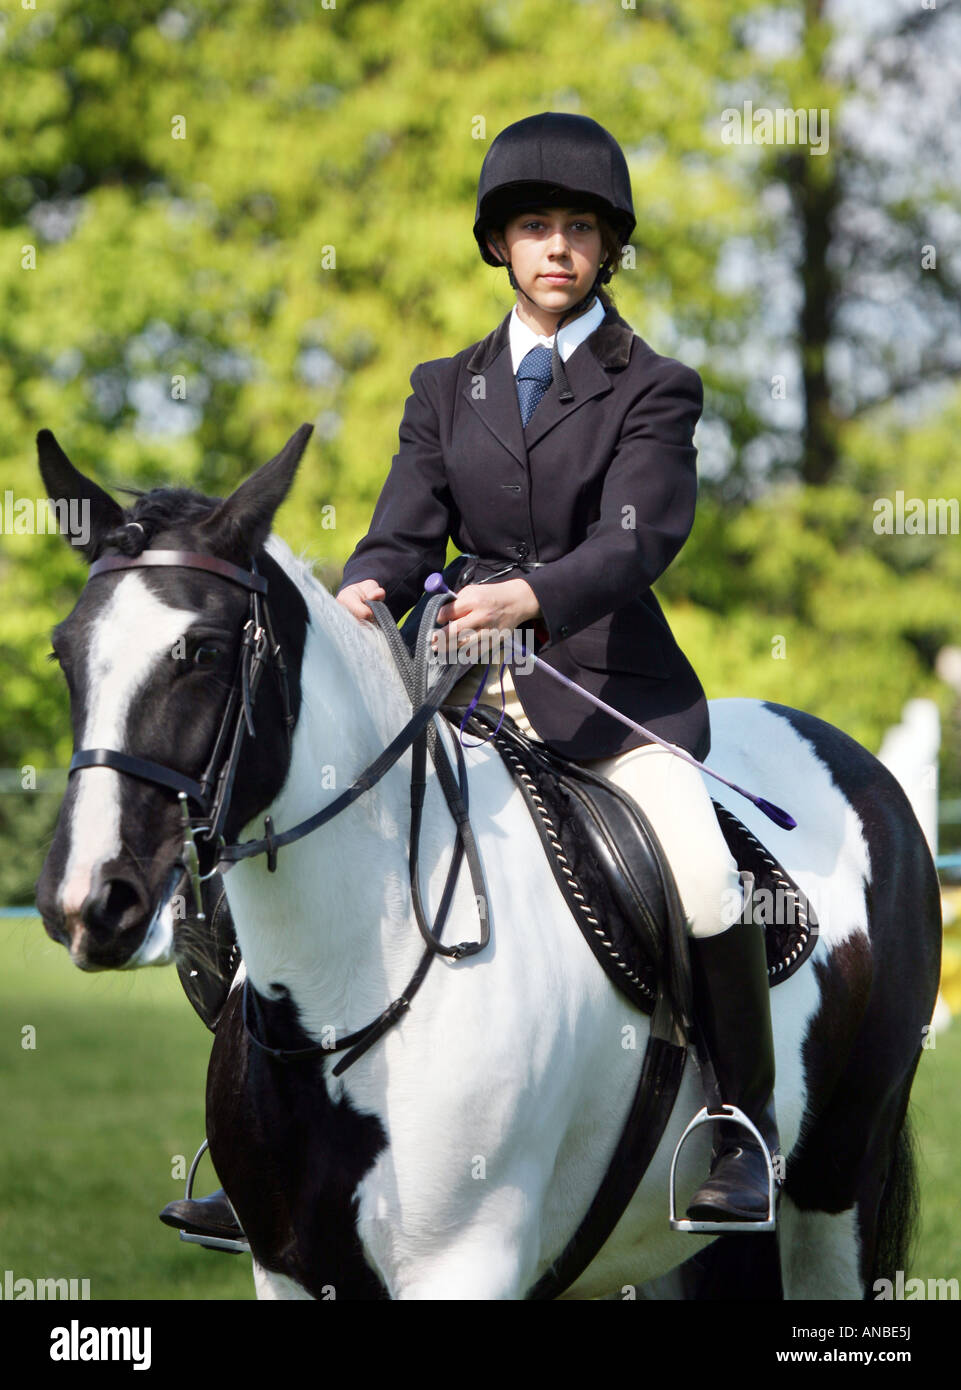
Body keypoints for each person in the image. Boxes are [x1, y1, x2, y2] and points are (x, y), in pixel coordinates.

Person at [162, 111, 779, 1246]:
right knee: (285, 850)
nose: (556, 247)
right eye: (534, 226)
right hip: (447, 689)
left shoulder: (655, 385)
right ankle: (253, 1139)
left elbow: (637, 539)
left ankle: (744, 1126)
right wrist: (361, 598)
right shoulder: (446, 387)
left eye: (578, 229)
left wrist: (528, 598)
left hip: (604, 694)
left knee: (697, 863)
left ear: (605, 248)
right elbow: (401, 536)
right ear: (500, 243)